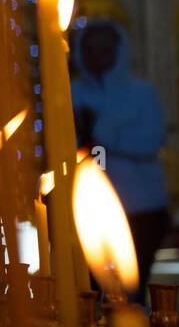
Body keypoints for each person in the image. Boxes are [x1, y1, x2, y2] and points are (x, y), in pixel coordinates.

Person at [70, 19, 170, 302]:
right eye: (90, 50)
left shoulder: (142, 92)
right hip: (88, 207)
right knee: (95, 288)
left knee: (132, 287)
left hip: (143, 206)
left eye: (105, 50)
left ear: (119, 51)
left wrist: (97, 131)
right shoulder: (71, 92)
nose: (97, 57)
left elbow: (150, 140)